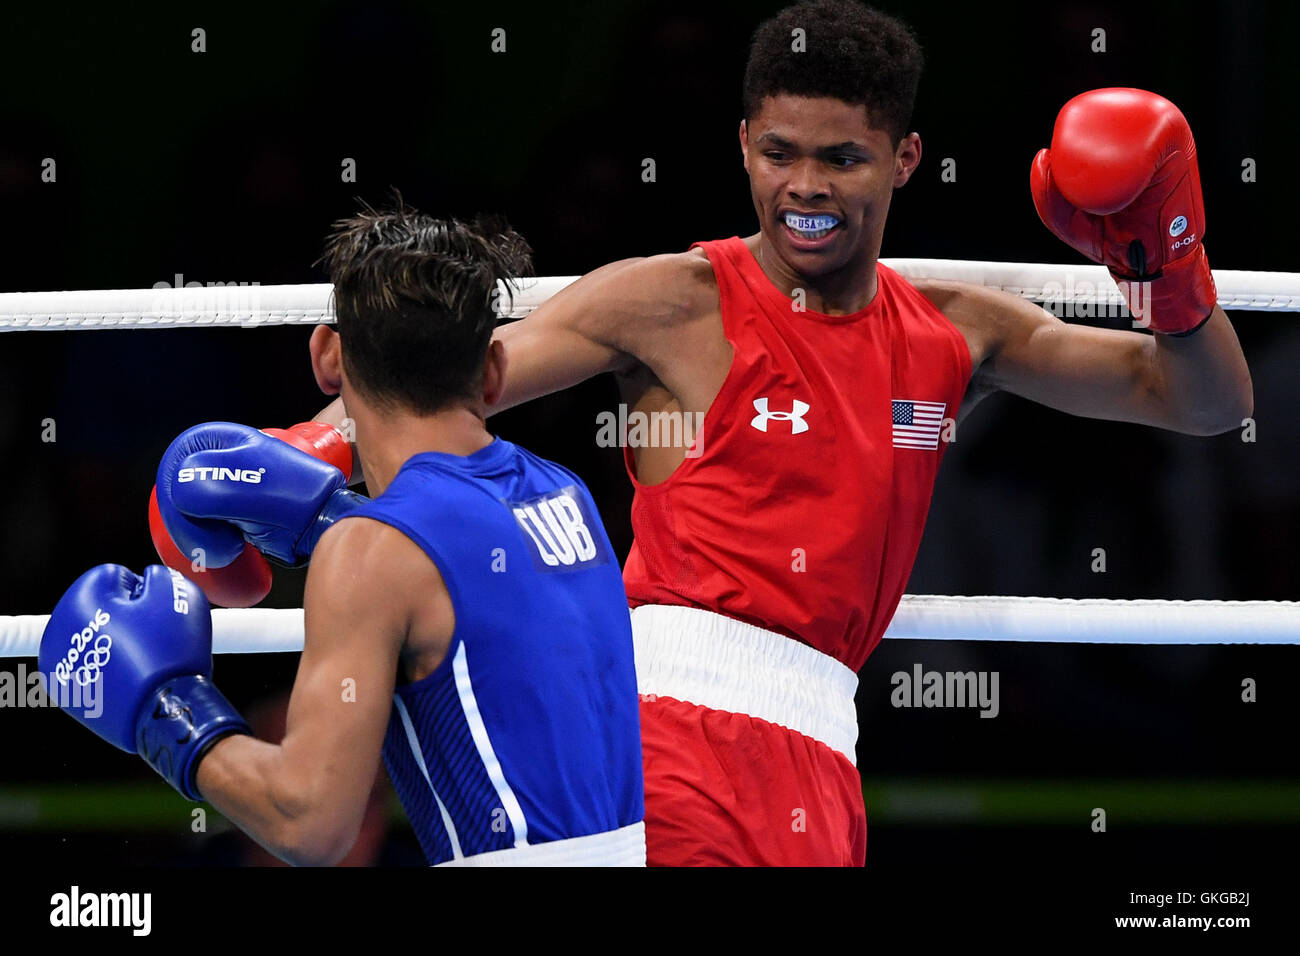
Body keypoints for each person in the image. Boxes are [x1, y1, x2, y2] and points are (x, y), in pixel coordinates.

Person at [42, 208, 646, 866]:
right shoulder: (566, 494)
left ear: (327, 356)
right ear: (495, 367)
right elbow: (457, 584)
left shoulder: (370, 553)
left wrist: (165, 709)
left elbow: (309, 823)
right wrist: (331, 523)